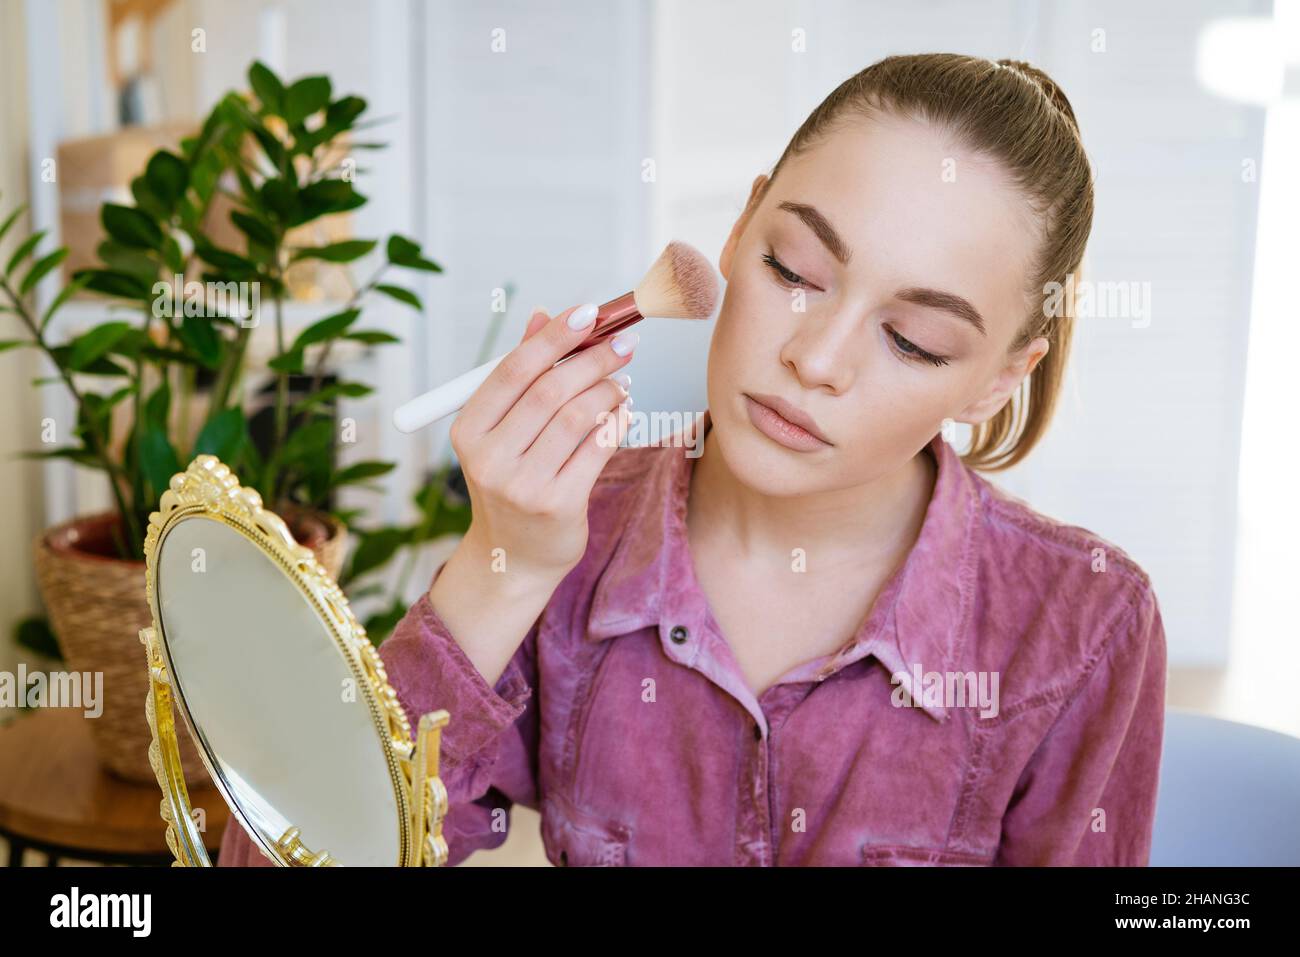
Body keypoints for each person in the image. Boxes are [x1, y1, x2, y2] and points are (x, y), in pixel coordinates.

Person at [220, 52, 1166, 867]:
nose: (815, 359)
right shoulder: (568, 536)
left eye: (913, 340)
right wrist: (501, 569)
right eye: (794, 270)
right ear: (742, 226)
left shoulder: (1084, 621)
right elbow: (284, 853)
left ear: (997, 382)